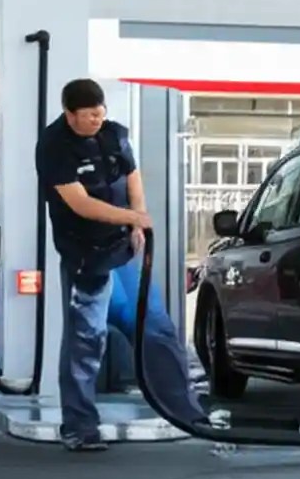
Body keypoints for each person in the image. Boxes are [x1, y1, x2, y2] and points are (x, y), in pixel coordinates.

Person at [36, 78, 205, 451]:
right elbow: (79, 203)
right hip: (87, 258)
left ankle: (186, 412)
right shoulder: (54, 146)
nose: (97, 120)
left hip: (124, 253)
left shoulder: (114, 134)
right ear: (70, 114)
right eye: (89, 115)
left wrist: (137, 217)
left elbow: (132, 176)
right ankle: (79, 427)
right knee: (86, 342)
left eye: (101, 113)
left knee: (157, 330)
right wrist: (127, 216)